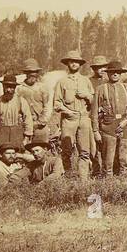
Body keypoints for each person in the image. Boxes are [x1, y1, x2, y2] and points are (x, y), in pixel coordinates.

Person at [52, 51, 97, 179]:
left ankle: (83, 180)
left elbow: (94, 101)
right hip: (69, 119)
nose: (74, 63)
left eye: (76, 61)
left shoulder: (86, 81)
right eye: (71, 61)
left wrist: (87, 96)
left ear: (80, 64)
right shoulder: (62, 82)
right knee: (66, 150)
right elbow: (56, 104)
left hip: (84, 118)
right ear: (67, 64)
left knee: (84, 150)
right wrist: (68, 112)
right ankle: (68, 175)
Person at [95, 61, 127, 175]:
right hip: (108, 126)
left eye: (117, 72)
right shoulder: (101, 89)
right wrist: (96, 131)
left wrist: (126, 120)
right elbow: (94, 112)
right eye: (112, 72)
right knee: (108, 158)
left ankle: (124, 181)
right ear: (108, 74)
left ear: (120, 74)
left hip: (124, 125)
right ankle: (108, 182)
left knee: (124, 157)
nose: (115, 74)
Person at [17, 60, 55, 171]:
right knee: (25, 150)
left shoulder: (43, 88)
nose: (32, 75)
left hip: (40, 126)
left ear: (38, 73)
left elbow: (48, 107)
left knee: (41, 150)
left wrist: (40, 122)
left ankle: (43, 172)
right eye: (29, 72)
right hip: (25, 126)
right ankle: (26, 173)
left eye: (35, 72)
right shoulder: (19, 89)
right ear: (26, 73)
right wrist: (24, 123)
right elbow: (17, 107)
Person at [0, 74, 34, 159]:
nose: (9, 90)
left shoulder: (21, 101)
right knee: (1, 158)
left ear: (15, 88)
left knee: (17, 158)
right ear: (3, 86)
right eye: (6, 87)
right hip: (1, 135)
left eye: (11, 87)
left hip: (17, 135)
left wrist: (26, 138)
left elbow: (28, 120)